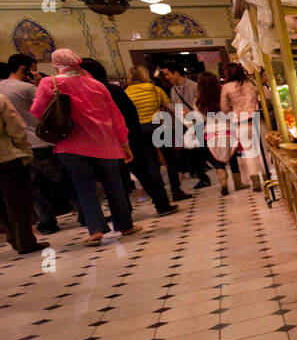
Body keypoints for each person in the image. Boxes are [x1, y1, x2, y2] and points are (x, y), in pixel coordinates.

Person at [30, 49, 137, 246]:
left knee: (84, 188)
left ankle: (95, 231)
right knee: (114, 186)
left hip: (71, 145)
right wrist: (124, 143)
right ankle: (125, 225)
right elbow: (116, 116)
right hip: (106, 143)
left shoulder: (50, 83)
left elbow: (36, 111)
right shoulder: (95, 84)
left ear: (55, 65)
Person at [81, 59, 177, 218]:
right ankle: (162, 204)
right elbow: (131, 114)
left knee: (115, 179)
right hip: (130, 137)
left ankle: (123, 212)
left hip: (106, 142)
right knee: (145, 172)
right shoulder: (116, 90)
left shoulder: (96, 92)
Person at [0, 53, 79, 234]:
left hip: (21, 147)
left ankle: (46, 222)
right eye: (33, 68)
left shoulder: (1, 89)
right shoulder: (27, 88)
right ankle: (84, 213)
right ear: (24, 68)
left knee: (36, 187)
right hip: (41, 141)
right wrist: (38, 86)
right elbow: (49, 107)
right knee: (64, 180)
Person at [126, 64, 191, 201]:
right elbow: (171, 108)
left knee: (152, 164)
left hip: (140, 131)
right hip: (159, 127)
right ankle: (176, 191)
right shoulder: (155, 90)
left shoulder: (126, 93)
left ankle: (161, 196)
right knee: (171, 160)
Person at [0, 91, 39, 254]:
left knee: (1, 204)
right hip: (6, 156)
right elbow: (15, 127)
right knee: (18, 201)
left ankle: (12, 236)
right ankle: (25, 240)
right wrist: (23, 148)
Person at [160, 63, 209, 188]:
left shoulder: (194, 86)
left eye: (167, 74)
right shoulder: (173, 90)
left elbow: (201, 106)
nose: (166, 77)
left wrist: (191, 112)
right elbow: (177, 108)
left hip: (197, 122)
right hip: (185, 124)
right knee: (192, 150)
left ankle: (210, 172)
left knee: (199, 149)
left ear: (176, 72)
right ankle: (202, 176)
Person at [220, 64, 264, 190]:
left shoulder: (227, 87)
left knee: (249, 152)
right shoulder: (250, 84)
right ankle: (266, 176)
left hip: (241, 123)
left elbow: (224, 108)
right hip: (257, 119)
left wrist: (233, 111)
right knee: (262, 150)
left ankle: (255, 180)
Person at [196, 72, 237, 196]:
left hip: (210, 131)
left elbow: (199, 119)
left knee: (217, 158)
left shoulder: (198, 101)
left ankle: (222, 178)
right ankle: (238, 181)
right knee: (232, 154)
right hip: (228, 128)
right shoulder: (224, 94)